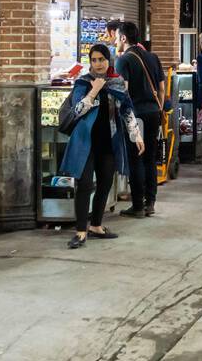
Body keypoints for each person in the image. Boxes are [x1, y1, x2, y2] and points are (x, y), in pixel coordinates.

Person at [58, 43, 144, 249]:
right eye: (94, 60)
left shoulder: (117, 82)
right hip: (85, 142)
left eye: (102, 59)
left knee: (105, 183)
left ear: (109, 60)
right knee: (84, 185)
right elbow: (77, 111)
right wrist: (93, 92)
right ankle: (80, 232)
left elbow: (127, 110)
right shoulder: (83, 83)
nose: (98, 64)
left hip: (108, 142)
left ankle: (96, 225)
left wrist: (136, 135)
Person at [115, 21, 164, 218]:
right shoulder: (153, 57)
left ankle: (137, 206)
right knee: (150, 158)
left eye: (116, 37)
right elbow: (161, 88)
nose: (115, 41)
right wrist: (158, 108)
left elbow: (123, 91)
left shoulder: (124, 60)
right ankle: (150, 202)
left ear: (124, 38)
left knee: (136, 159)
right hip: (153, 113)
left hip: (135, 115)